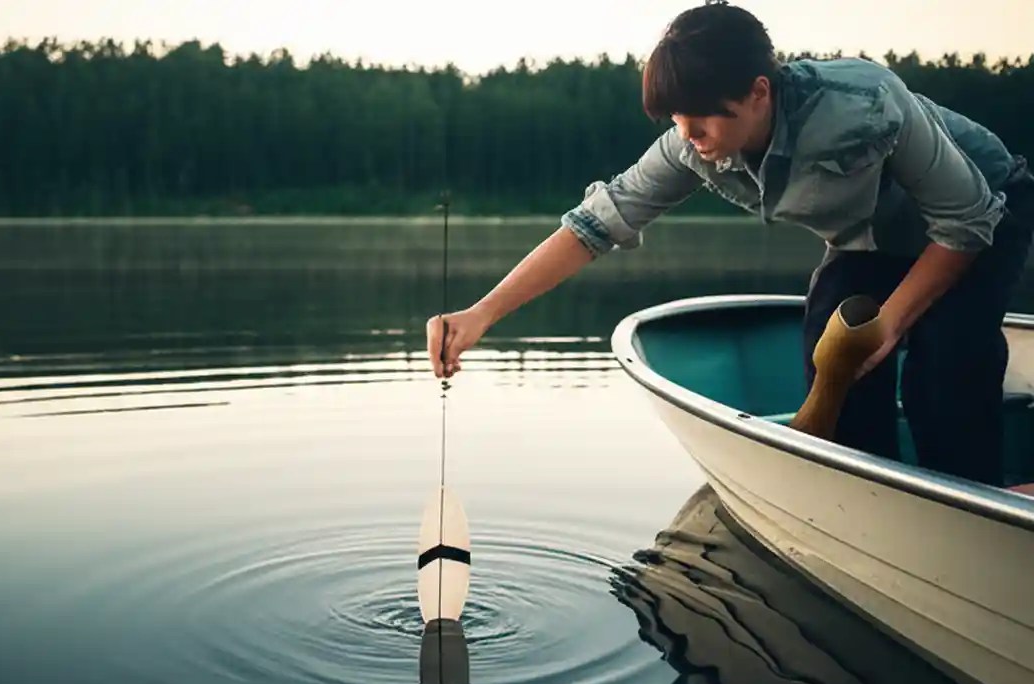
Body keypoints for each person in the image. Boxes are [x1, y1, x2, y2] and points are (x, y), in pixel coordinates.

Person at [424, 0, 1034, 487]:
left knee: (945, 366)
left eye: (701, 121)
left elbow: (965, 221)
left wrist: (892, 323)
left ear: (758, 94)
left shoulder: (864, 106)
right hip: (871, 239)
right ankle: (870, 488)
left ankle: (968, 491)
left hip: (983, 211)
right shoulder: (691, 144)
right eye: (675, 124)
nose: (689, 139)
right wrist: (480, 315)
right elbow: (592, 228)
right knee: (830, 349)